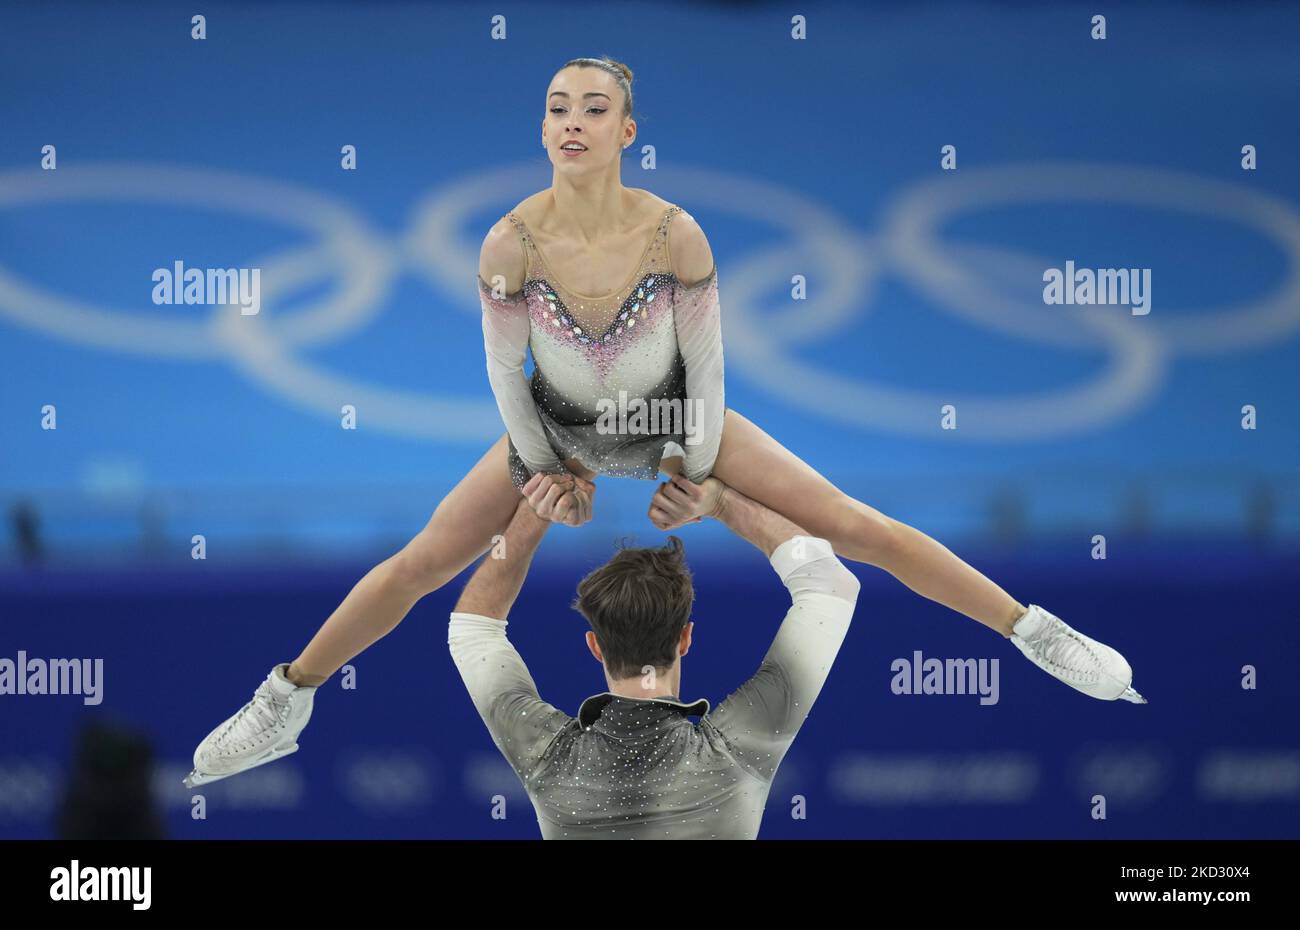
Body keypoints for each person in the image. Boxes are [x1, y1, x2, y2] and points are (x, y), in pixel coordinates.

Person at [184, 56, 1143, 791]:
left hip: (679, 416)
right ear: (542, 127)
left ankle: (1032, 631)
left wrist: (697, 466)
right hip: (556, 424)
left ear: (628, 130)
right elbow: (504, 372)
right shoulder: (509, 241)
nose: (572, 122)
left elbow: (710, 365)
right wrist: (542, 468)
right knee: (422, 563)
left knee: (858, 527)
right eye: (558, 108)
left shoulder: (674, 231)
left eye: (593, 109)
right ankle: (285, 700)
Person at [448, 473, 859, 839]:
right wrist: (720, 503)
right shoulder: (735, 751)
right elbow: (829, 584)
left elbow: (473, 628)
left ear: (595, 646)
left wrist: (538, 511)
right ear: (685, 638)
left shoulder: (550, 757)